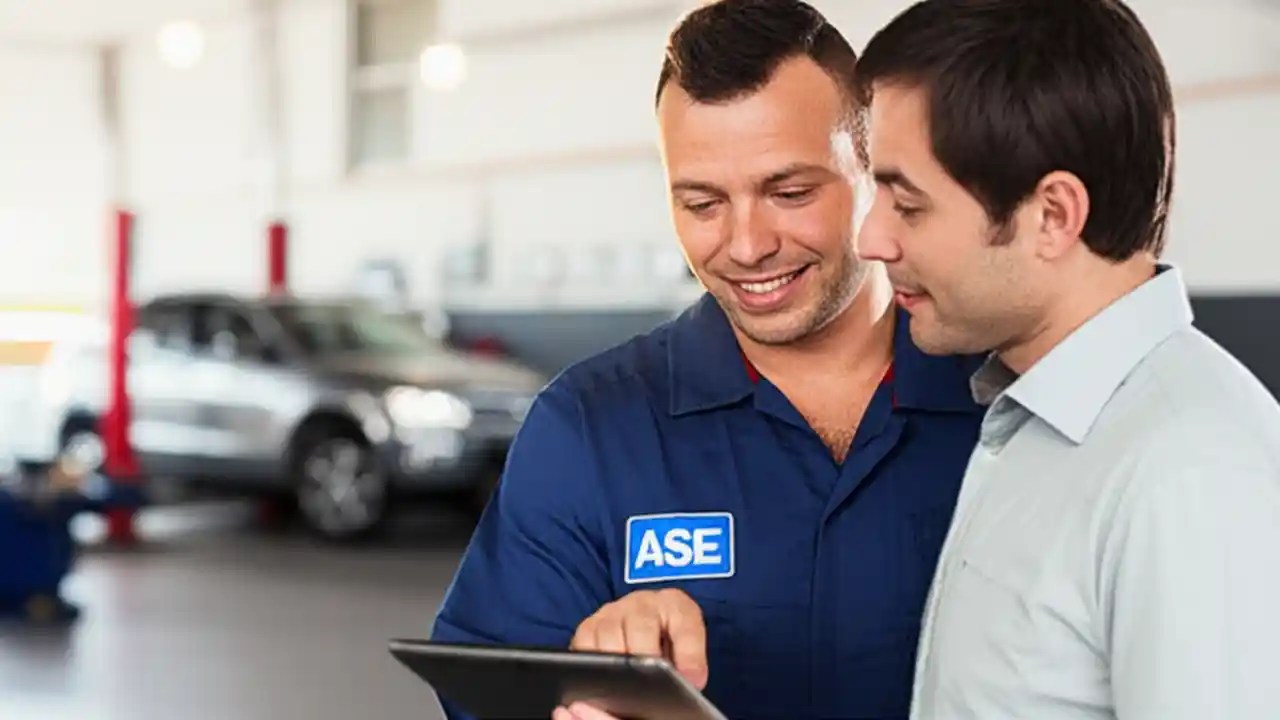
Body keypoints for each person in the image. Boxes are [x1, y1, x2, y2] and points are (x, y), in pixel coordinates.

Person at [430, 1, 988, 718]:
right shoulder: (588, 430)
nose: (747, 244)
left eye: (788, 193)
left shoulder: (1001, 400)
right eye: (702, 203)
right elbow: (489, 694)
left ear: (876, 168)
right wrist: (576, 691)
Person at [848, 1, 1280, 718]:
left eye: (909, 206)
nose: (871, 238)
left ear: (1052, 215)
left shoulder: (1192, 475)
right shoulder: (1035, 418)